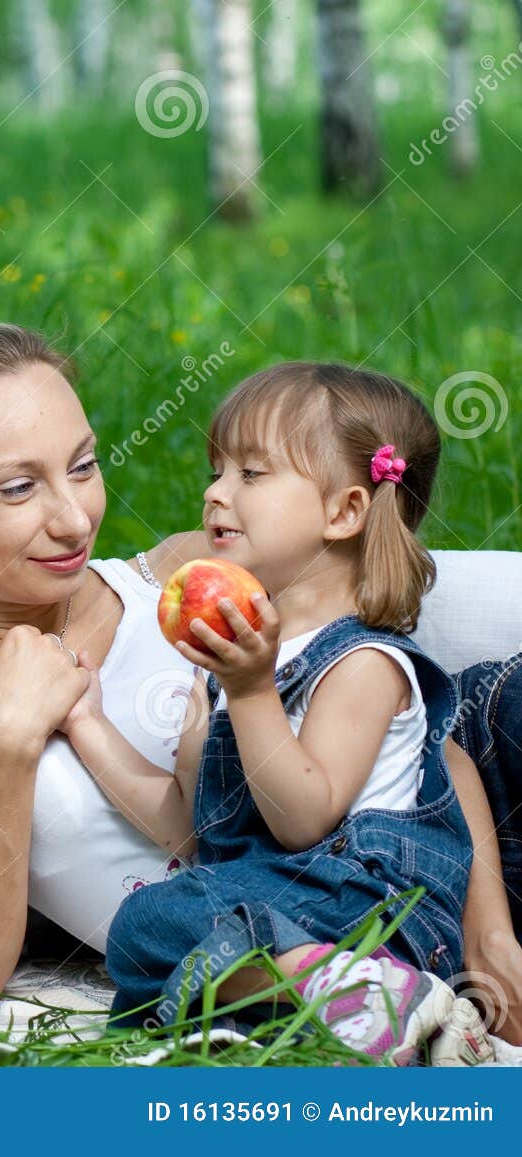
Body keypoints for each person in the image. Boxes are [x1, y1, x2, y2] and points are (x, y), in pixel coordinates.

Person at [0, 322, 522, 1049]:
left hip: (445, 854)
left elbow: (419, 732)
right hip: (308, 921)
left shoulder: (193, 575)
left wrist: (489, 935)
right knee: (155, 927)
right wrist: (6, 746)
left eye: (84, 466)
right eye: (18, 488)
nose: (73, 519)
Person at [64, 363, 489, 1063]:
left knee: (159, 926)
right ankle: (365, 1009)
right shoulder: (234, 663)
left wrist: (253, 690)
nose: (215, 493)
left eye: (251, 474)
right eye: (217, 471)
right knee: (145, 928)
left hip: (369, 905)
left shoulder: (364, 662)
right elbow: (188, 825)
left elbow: (305, 818)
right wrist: (87, 723)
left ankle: (354, 987)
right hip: (279, 906)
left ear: (344, 512)